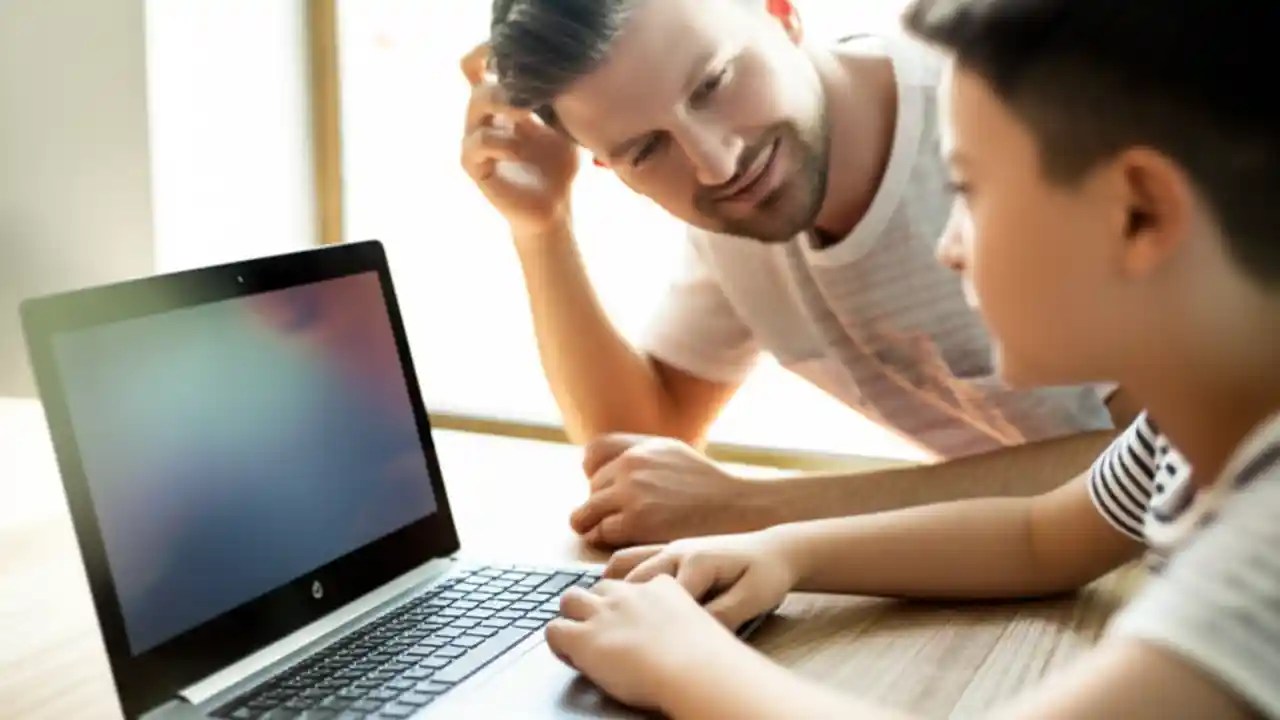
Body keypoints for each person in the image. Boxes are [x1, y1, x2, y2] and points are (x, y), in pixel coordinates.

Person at [542, 0, 1280, 717]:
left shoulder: (1265, 533)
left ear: (1139, 213)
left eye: (967, 190)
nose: (946, 246)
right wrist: (784, 551)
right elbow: (1039, 537)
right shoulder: (1177, 440)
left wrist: (685, 665)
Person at [461, 0, 1135, 548]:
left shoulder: (1018, 123)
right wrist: (542, 228)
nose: (716, 163)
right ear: (608, 167)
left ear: (780, 12)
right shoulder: (735, 216)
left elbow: (1162, 459)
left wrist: (755, 507)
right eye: (645, 149)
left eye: (713, 84)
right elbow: (641, 459)